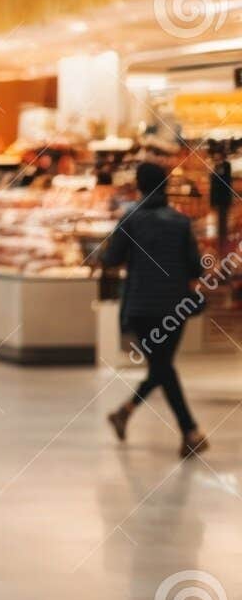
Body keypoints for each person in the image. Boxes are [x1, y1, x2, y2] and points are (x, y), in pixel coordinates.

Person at [101, 161, 210, 457]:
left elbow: (111, 258)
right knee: (163, 366)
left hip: (141, 305)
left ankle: (185, 429)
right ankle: (185, 431)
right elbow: (195, 268)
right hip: (176, 306)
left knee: (161, 367)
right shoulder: (180, 221)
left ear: (139, 185)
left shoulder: (131, 219)